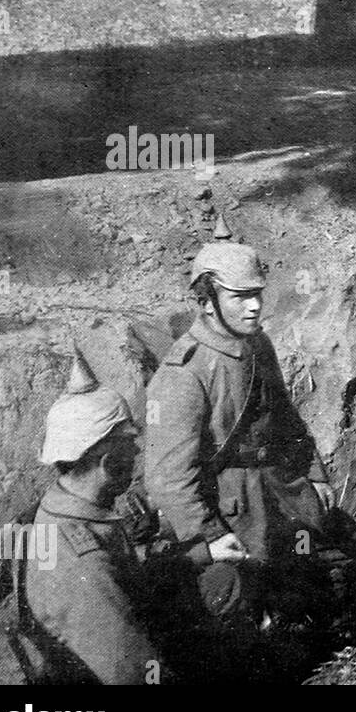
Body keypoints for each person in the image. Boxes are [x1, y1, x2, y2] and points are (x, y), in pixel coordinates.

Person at [143, 234, 335, 635]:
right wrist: (208, 538)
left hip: (278, 492)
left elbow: (284, 415)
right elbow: (168, 477)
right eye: (240, 297)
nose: (255, 306)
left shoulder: (257, 343)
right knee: (239, 609)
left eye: (258, 295)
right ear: (207, 301)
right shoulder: (184, 374)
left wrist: (314, 473)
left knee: (326, 587)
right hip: (231, 510)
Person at [25, 348, 171, 684]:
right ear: (106, 463)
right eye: (129, 444)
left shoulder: (67, 504)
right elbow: (134, 670)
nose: (137, 451)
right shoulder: (80, 561)